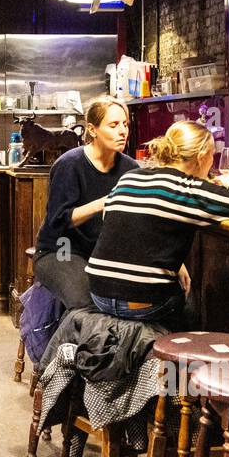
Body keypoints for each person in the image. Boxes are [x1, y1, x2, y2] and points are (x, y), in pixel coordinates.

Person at [86, 121, 229, 327]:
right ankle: (170, 353)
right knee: (191, 301)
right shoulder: (187, 189)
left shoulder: (130, 178)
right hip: (141, 300)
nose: (212, 163)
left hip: (98, 292)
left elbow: (122, 226)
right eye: (212, 156)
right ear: (201, 158)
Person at [32, 96, 135, 312]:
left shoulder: (130, 169)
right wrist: (104, 202)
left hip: (104, 253)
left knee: (146, 298)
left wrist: (175, 264)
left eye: (125, 124)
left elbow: (142, 220)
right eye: (114, 125)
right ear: (92, 129)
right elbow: (58, 221)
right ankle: (66, 346)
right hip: (61, 250)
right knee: (86, 303)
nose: (122, 131)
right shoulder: (70, 164)